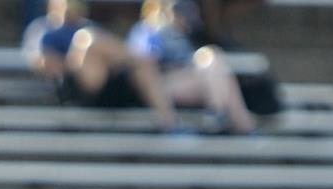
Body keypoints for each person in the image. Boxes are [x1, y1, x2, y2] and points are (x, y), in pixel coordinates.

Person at [26, 0, 178, 130]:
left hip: (106, 79)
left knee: (142, 69)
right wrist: (73, 57)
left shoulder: (90, 25)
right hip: (76, 84)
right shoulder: (44, 29)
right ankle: (138, 58)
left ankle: (171, 125)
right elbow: (42, 63)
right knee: (88, 39)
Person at [126, 0, 253, 133]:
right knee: (216, 70)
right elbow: (140, 66)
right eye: (177, 10)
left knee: (215, 59)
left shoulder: (186, 36)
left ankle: (224, 118)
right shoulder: (146, 31)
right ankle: (237, 125)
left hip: (190, 81)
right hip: (160, 86)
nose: (183, 16)